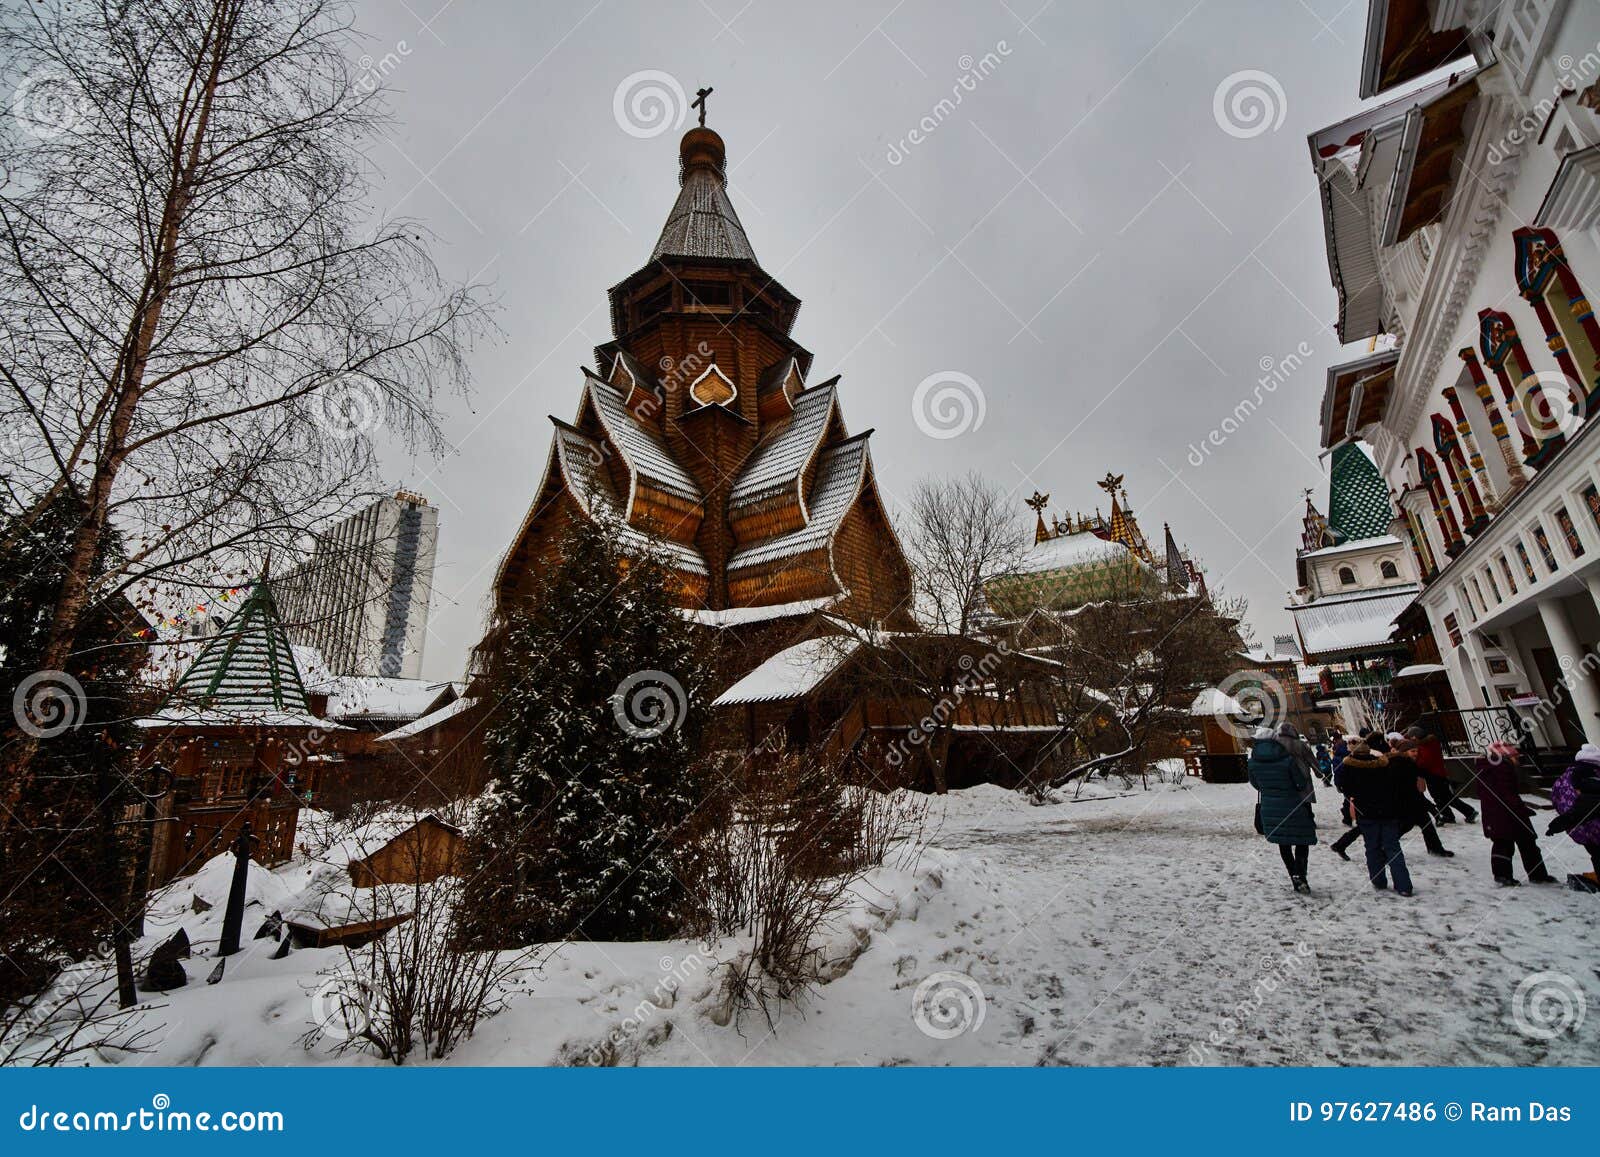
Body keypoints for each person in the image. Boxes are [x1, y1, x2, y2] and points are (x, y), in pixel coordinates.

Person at [1338, 732, 1415, 896]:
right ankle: (1404, 886)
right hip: (1388, 811)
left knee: (1372, 847)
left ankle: (1379, 880)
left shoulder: (1349, 767)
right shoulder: (1383, 765)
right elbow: (1393, 786)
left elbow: (1345, 788)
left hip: (1366, 812)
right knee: (1393, 847)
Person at [1247, 725, 1317, 893]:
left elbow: (1255, 784)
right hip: (1294, 804)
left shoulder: (1253, 762)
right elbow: (1300, 782)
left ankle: (1293, 874)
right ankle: (1301, 874)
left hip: (1270, 806)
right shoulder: (1286, 760)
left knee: (1283, 843)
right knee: (1301, 840)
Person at [1475, 742, 1555, 886]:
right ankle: (1533, 875)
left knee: (1508, 843)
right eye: (1515, 756)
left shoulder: (1489, 768)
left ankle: (1505, 875)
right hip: (1507, 813)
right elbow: (1507, 793)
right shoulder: (1502, 769)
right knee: (1522, 843)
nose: (1517, 760)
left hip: (1497, 813)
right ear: (1505, 756)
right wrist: (1520, 809)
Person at [1387, 731, 1454, 857]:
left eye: (1416, 751)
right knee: (1405, 826)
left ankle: (1435, 848)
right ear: (1404, 752)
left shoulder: (1409, 763)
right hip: (1405, 802)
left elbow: (1422, 773)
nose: (1415, 753)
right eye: (1412, 751)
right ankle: (1385, 846)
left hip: (1415, 801)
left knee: (1426, 824)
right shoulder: (1397, 764)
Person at [1547, 743, 1600, 885]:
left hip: (1577, 827)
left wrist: (1563, 818)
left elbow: (1555, 796)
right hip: (1591, 824)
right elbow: (1590, 803)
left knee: (1596, 853)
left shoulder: (1565, 777)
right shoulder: (1590, 775)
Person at [1404, 723, 1476, 824]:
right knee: (1442, 797)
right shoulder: (1430, 743)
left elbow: (1425, 761)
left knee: (1444, 797)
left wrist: (1416, 762)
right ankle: (1450, 815)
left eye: (1412, 738)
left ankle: (1468, 812)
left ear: (1415, 737)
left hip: (1434, 775)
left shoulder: (1426, 745)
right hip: (1437, 774)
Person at [1329, 734, 1362, 861]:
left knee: (1365, 824)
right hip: (1361, 794)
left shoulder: (1339, 754)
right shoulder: (1350, 757)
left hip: (1352, 790)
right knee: (1367, 823)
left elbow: (1338, 772)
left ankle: (1341, 843)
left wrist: (1339, 784)